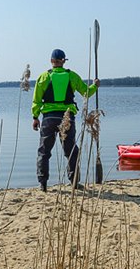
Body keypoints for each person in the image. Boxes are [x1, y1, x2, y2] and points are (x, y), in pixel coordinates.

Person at [32, 48, 99, 191]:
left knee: (44, 151)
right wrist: (95, 86)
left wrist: (35, 117)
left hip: (48, 118)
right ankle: (74, 182)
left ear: (51, 61)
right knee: (71, 151)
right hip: (67, 117)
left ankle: (43, 183)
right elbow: (86, 93)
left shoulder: (43, 77)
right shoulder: (72, 76)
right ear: (63, 61)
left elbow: (36, 100)